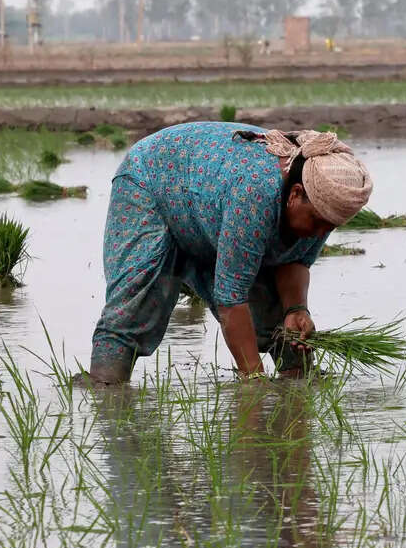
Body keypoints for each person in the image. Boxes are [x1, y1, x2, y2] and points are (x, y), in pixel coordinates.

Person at [88, 124, 375, 385]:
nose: (321, 231)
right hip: (151, 179)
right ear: (295, 194)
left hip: (208, 204)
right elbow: (231, 297)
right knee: (136, 304)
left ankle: (296, 387)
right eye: (317, 222)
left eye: (330, 226)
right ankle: (105, 391)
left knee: (277, 322)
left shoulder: (323, 205)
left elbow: (295, 259)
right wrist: (253, 380)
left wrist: (296, 309)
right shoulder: (256, 193)